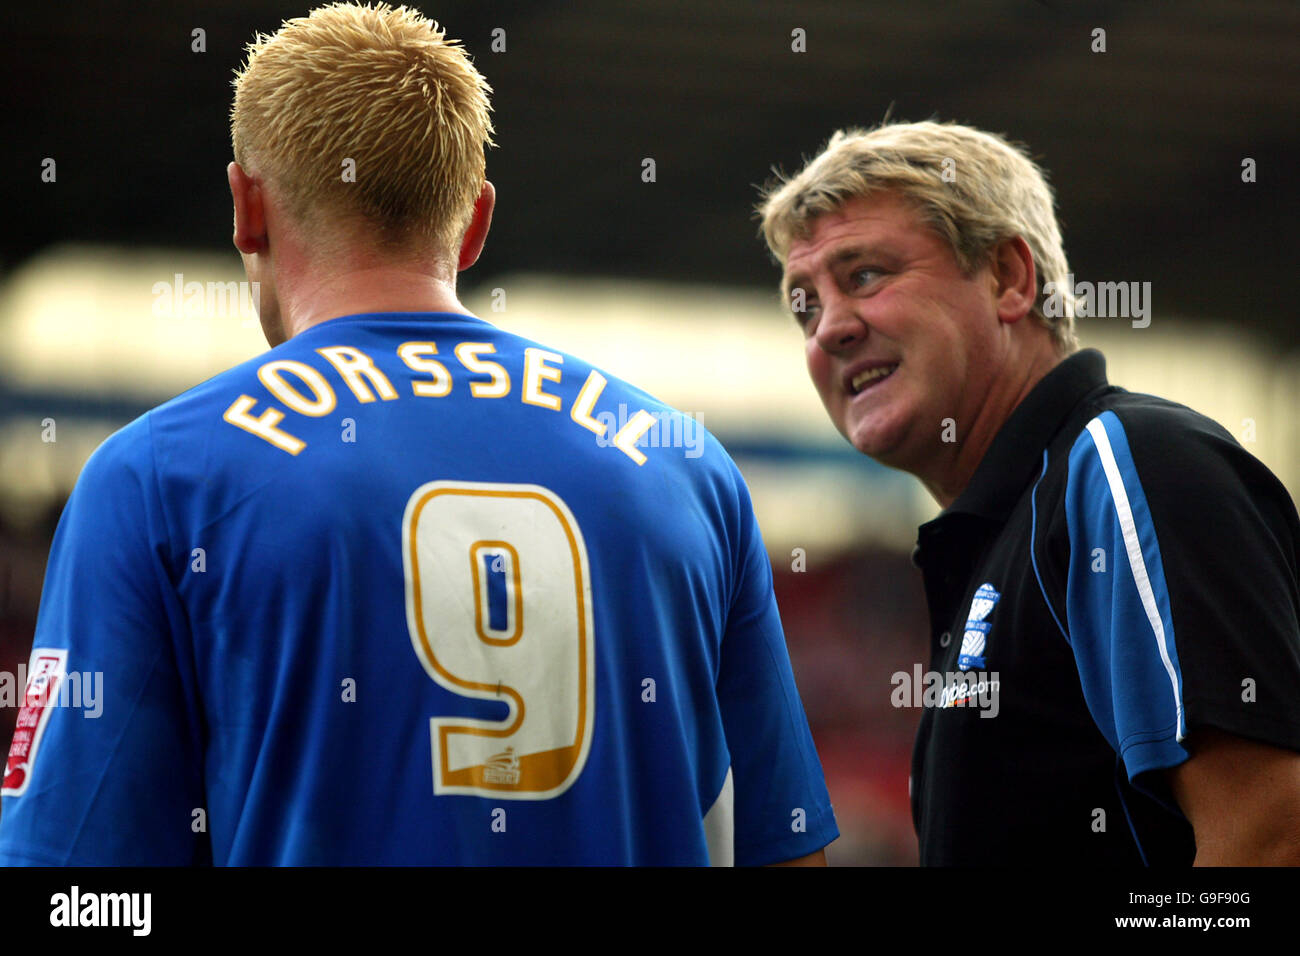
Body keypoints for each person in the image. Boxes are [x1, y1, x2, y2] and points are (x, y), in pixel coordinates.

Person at [0, 2, 837, 866]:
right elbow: (787, 848)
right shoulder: (687, 465)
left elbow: (78, 883)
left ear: (246, 207)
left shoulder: (158, 476)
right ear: (474, 222)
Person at [756, 120, 1300, 865]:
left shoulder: (1125, 463)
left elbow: (1270, 838)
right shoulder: (999, 537)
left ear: (1011, 279)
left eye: (865, 275)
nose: (828, 331)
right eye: (804, 305)